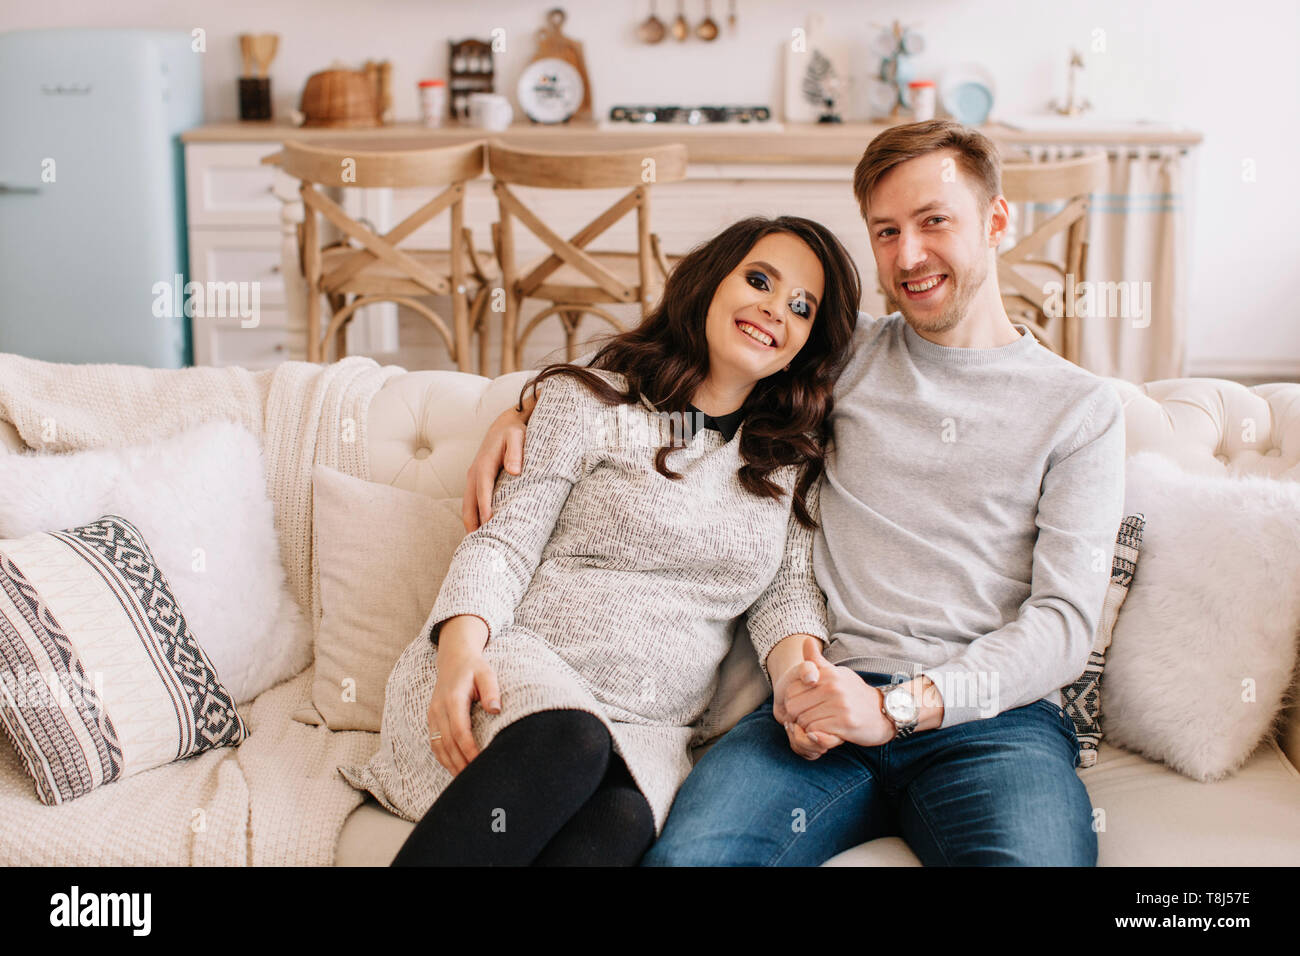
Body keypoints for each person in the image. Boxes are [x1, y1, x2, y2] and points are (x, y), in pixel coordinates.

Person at [464, 120, 1126, 866]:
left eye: (934, 221)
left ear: (997, 221)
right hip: (816, 707)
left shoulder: (1082, 410)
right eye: (886, 231)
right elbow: (682, 374)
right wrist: (528, 405)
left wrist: (900, 709)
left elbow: (1065, 622)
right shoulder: (836, 354)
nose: (909, 256)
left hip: (991, 725)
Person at [337, 215, 862, 865]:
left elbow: (784, 593)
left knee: (618, 821)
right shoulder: (590, 400)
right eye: (759, 280)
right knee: (571, 740)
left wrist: (798, 678)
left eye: (801, 307)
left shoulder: (790, 460)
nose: (773, 309)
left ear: (806, 343)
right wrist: (458, 650)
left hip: (647, 729)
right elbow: (507, 541)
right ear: (710, 282)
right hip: (523, 674)